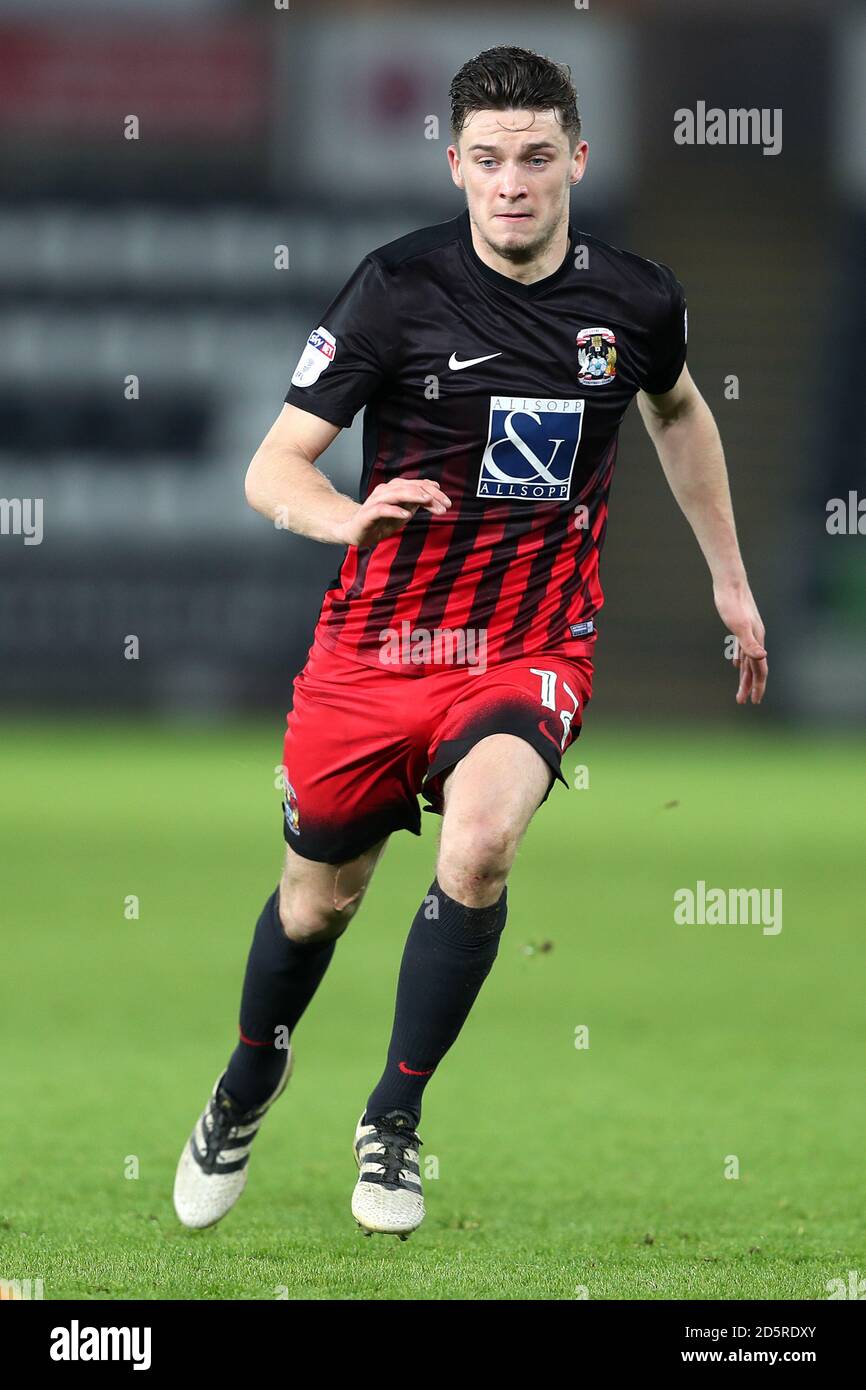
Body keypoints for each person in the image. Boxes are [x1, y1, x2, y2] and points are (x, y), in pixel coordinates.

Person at [173, 44, 768, 1240]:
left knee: (483, 841)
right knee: (315, 905)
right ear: (455, 165)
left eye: (535, 158)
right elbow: (268, 467)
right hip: (378, 644)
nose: (511, 181)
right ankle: (244, 1083)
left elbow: (678, 411)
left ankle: (391, 1121)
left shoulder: (634, 300)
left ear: (575, 162)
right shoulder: (395, 289)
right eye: (488, 159)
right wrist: (349, 514)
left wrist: (729, 579)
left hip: (525, 643)